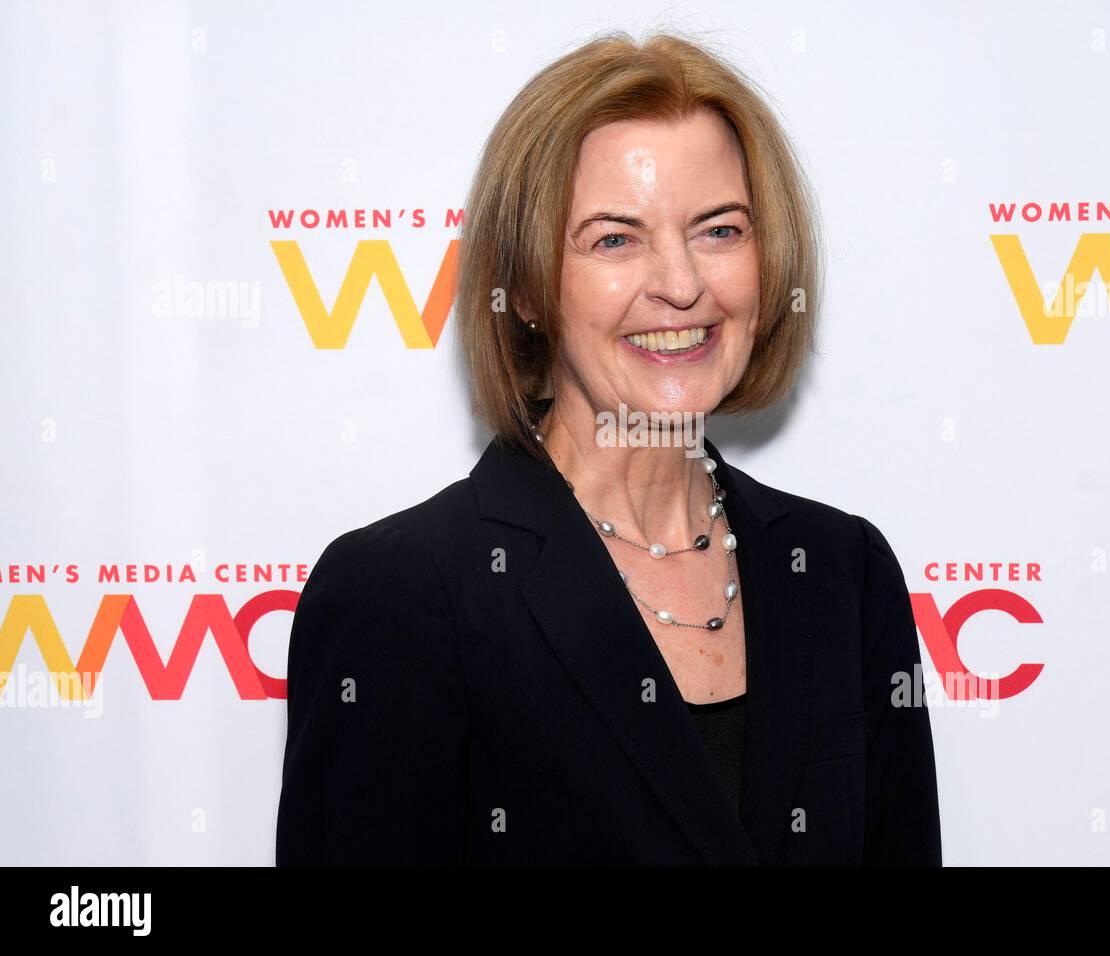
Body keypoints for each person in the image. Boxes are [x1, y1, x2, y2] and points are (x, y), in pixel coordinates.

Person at [275, 29, 941, 866]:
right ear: (521, 287)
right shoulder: (403, 592)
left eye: (720, 230)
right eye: (615, 239)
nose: (681, 283)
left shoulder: (843, 571)